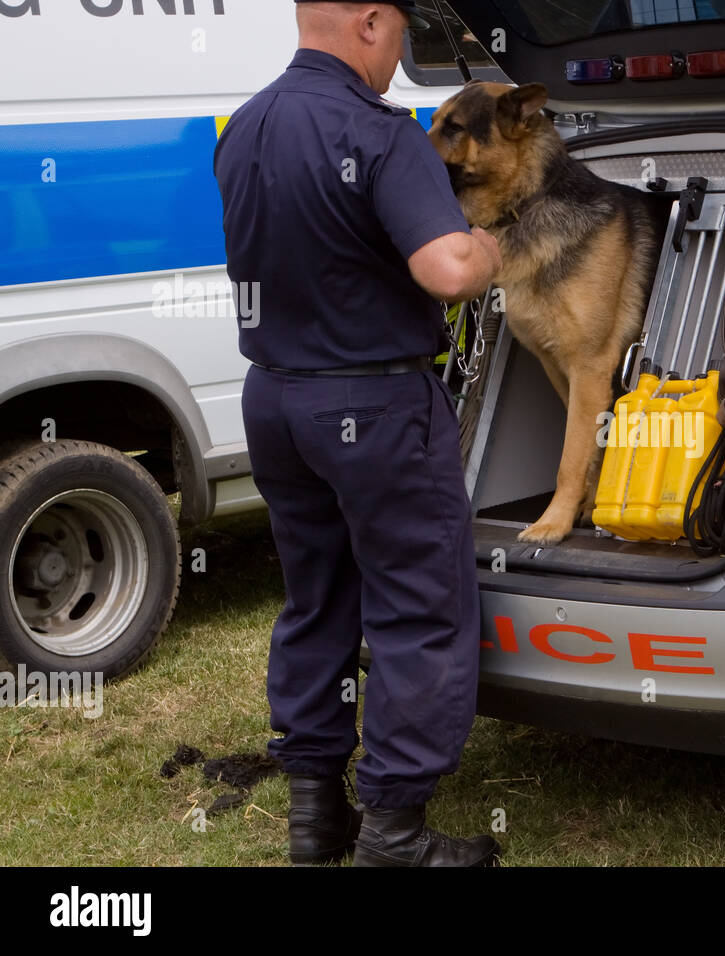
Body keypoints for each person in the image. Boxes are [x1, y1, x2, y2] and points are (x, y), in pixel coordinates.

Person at [213, 0, 502, 867]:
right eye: (401, 37)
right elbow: (447, 270)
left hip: (275, 401)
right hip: (374, 408)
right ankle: (395, 832)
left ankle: (315, 816)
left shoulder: (244, 126)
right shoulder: (381, 135)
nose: (399, 57)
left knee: (317, 598)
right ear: (371, 23)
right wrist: (493, 243)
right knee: (420, 608)